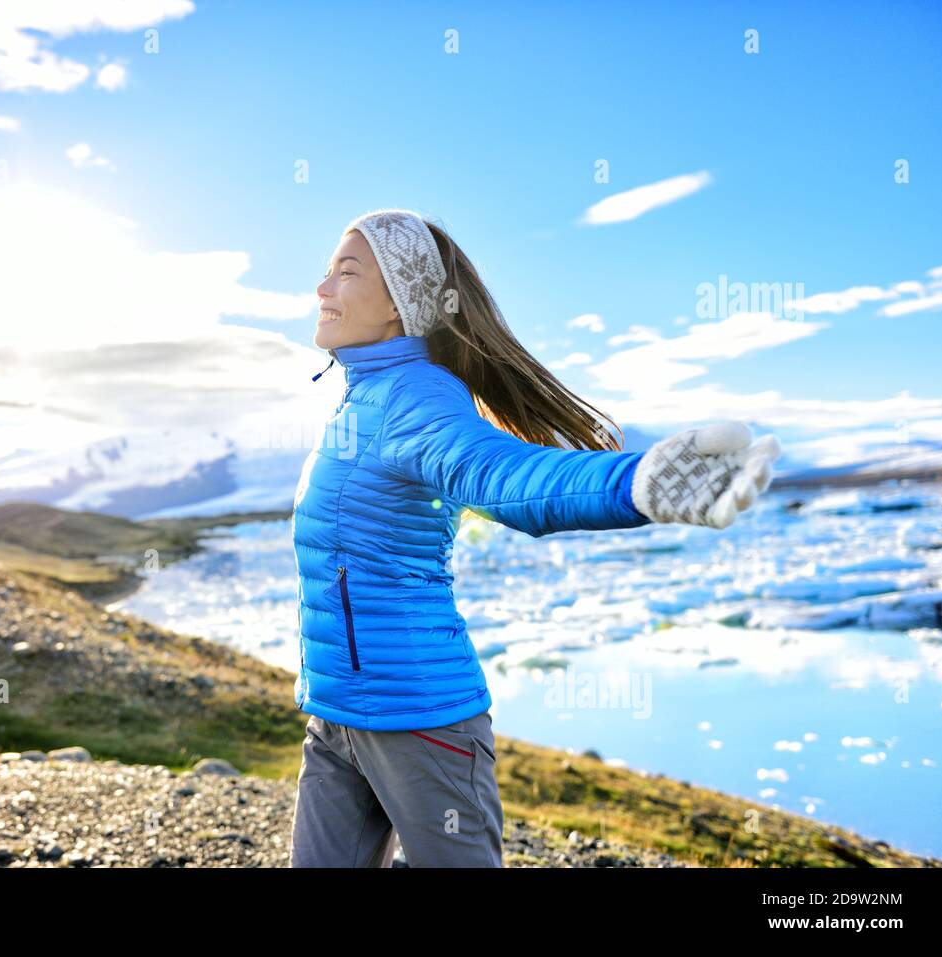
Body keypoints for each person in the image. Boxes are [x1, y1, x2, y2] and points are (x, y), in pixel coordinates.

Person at [288, 209, 780, 868]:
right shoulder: (358, 400)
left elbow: (501, 475)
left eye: (345, 273)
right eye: (326, 272)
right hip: (337, 716)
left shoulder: (415, 397)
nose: (322, 289)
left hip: (420, 718)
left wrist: (631, 485)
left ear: (399, 305)